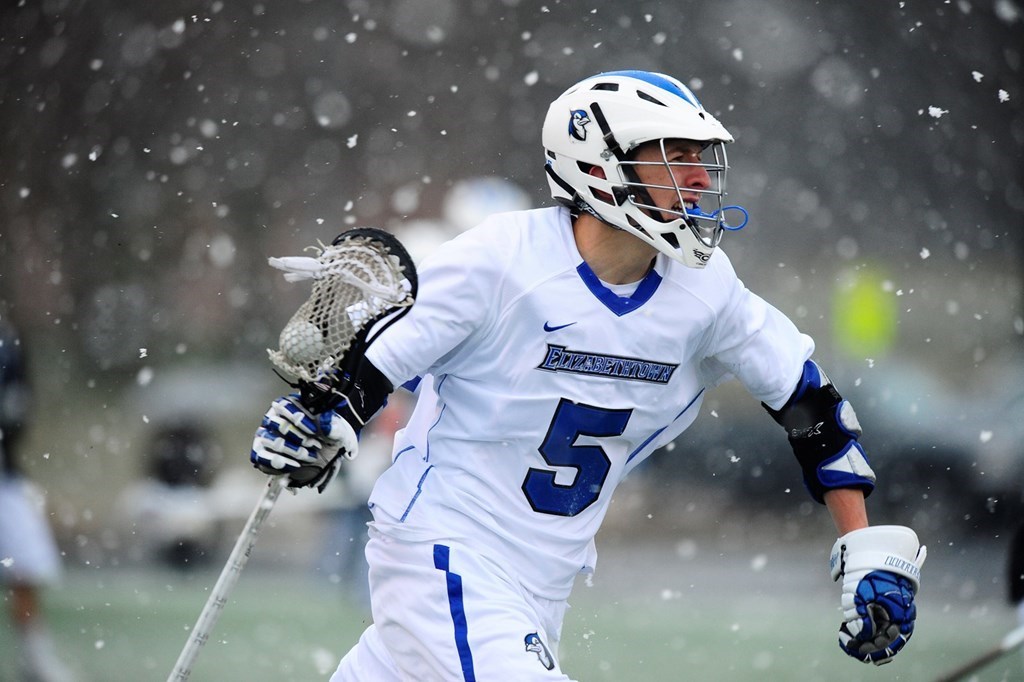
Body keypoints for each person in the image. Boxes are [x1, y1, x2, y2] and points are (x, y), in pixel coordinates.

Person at [251, 70, 926, 680]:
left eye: (702, 159)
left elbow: (814, 411)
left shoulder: (705, 290)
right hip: (442, 552)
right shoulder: (503, 259)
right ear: (601, 167)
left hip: (543, 582)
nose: (698, 177)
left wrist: (861, 542)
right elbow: (369, 369)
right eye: (674, 156)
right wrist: (320, 419)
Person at [0, 317, 75, 682]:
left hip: (4, 473)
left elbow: (18, 410)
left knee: (26, 566)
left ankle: (35, 657)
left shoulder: (9, 337)